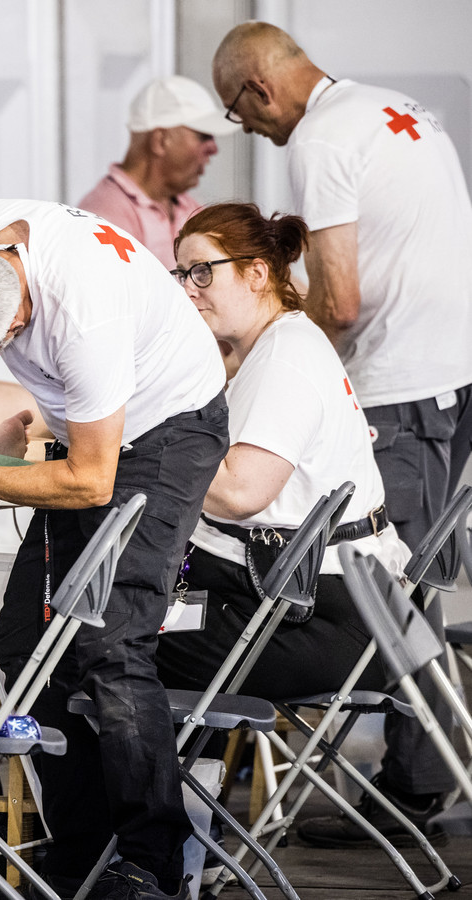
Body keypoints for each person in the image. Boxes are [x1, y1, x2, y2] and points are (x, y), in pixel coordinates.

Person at [0, 197, 229, 900]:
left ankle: (149, 859)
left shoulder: (84, 322)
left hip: (165, 431)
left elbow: (89, 479)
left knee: (110, 647)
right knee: (26, 641)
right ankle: (81, 848)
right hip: (96, 430)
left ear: (15, 320)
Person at [213, 21, 472, 845]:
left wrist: (280, 373)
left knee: (379, 587)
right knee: (416, 578)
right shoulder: (394, 108)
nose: (244, 129)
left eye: (236, 113)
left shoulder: (319, 138)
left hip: (399, 385)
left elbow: (340, 301)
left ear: (257, 88)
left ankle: (415, 788)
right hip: (452, 376)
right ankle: (423, 776)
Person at [154, 202, 406, 703]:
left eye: (203, 271)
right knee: (123, 621)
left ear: (256, 273)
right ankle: (190, 775)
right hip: (330, 602)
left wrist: (140, 452)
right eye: (181, 272)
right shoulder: (279, 344)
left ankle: (173, 780)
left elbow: (239, 493)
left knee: (110, 639)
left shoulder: (284, 358)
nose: (187, 288)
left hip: (320, 619)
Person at [77, 75, 237, 269]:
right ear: (160, 140)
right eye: (203, 136)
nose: (213, 148)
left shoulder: (190, 208)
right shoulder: (104, 216)